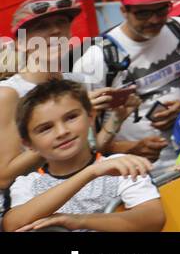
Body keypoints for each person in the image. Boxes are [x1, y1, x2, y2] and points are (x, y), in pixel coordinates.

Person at [71, 0, 180, 173]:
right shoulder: (95, 59)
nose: (154, 20)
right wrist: (132, 149)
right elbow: (86, 145)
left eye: (162, 10)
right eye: (143, 13)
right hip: (141, 173)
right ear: (124, 11)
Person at [2, 0, 134, 188]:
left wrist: (117, 116)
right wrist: (60, 123)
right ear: (21, 43)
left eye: (61, 23)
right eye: (42, 26)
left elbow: (87, 150)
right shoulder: (8, 94)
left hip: (85, 192)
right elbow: (4, 177)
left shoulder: (76, 81)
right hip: (36, 204)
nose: (55, 31)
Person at [3, 79, 165, 232]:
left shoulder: (121, 165)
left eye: (71, 117)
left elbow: (154, 218)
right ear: (28, 144)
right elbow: (13, 224)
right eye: (46, 128)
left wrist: (79, 220)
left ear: (90, 116)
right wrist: (89, 173)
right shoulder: (28, 184)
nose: (62, 132)